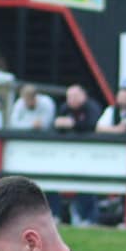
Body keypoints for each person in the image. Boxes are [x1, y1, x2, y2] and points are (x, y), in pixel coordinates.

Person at [49, 84, 100, 225]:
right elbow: (57, 125)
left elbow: (92, 125)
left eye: (75, 96)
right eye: (69, 97)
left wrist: (73, 124)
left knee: (86, 185)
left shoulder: (91, 107)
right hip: (67, 156)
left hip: (89, 156)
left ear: (83, 96)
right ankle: (56, 215)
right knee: (52, 180)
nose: (71, 100)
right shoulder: (65, 108)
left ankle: (89, 218)